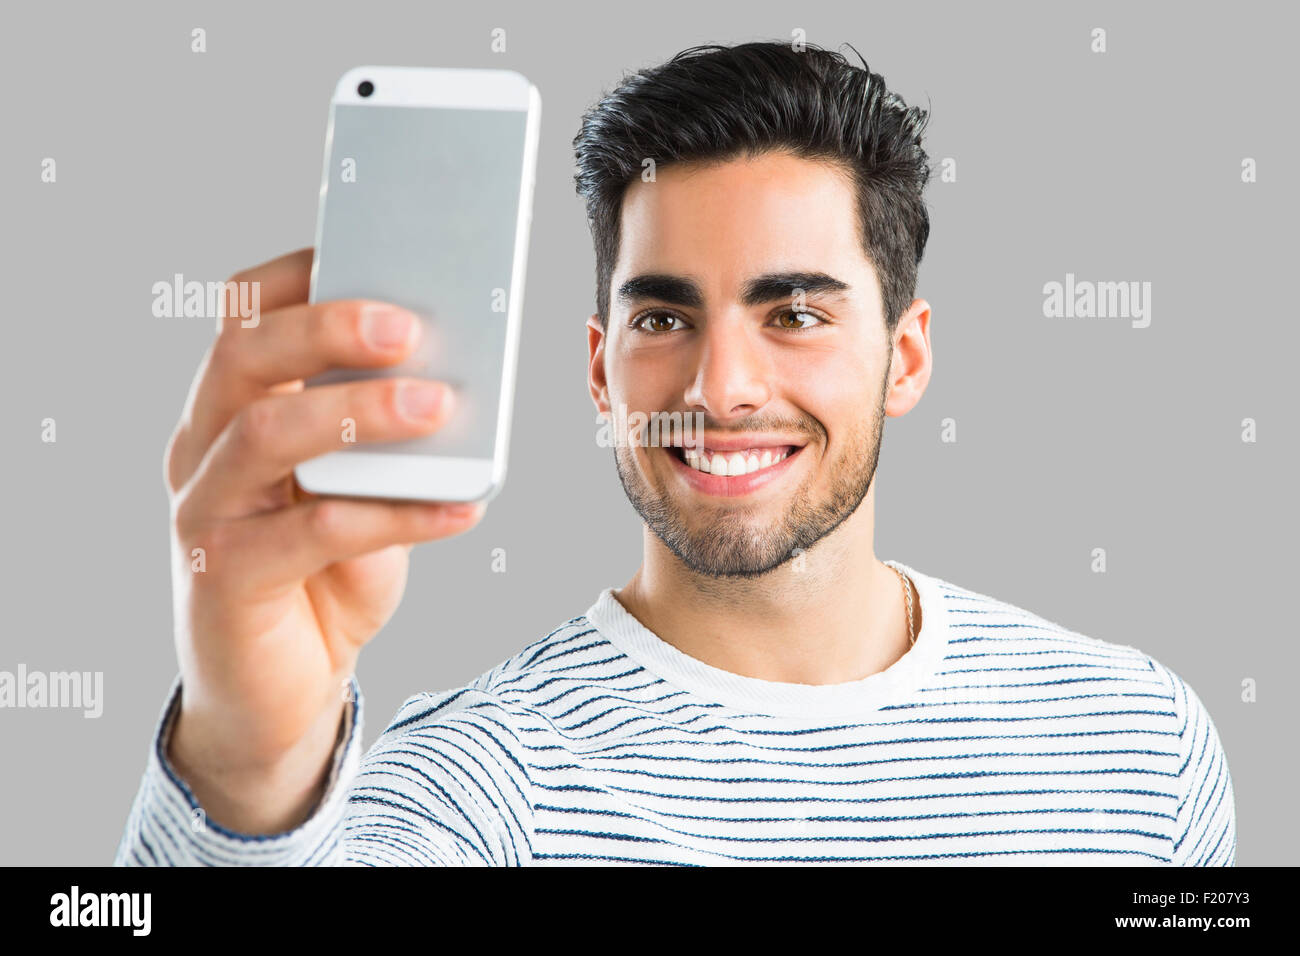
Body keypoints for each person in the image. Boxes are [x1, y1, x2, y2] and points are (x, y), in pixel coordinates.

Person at [114, 41, 1235, 866]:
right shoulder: (469, 790)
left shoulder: (1142, 740)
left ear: (905, 356)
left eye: (792, 312)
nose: (719, 387)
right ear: (600, 370)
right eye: (663, 318)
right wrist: (246, 773)